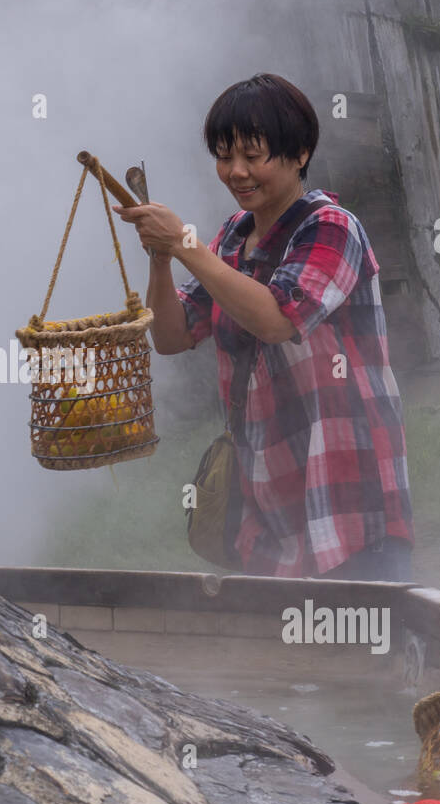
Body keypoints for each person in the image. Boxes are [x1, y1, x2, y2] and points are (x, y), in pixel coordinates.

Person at [112, 73, 414, 581]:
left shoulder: (332, 227)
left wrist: (183, 243)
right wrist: (162, 257)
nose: (236, 172)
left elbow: (276, 320)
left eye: (253, 156)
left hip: (347, 495)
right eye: (224, 156)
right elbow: (170, 337)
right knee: (277, 635)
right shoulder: (232, 237)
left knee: (359, 631)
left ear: (300, 153)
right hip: (268, 503)